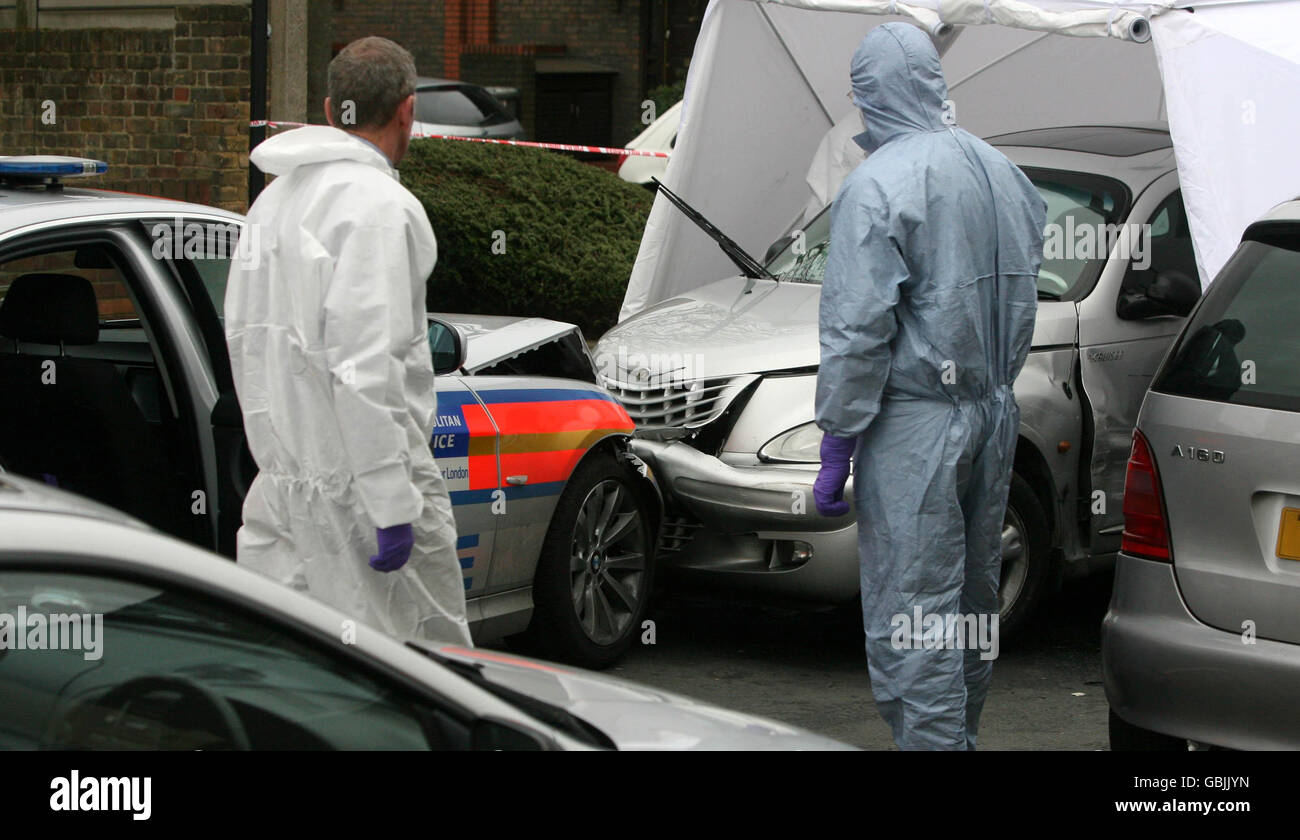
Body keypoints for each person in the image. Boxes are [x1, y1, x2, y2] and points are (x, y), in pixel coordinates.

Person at [812, 22, 1046, 750]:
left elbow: (858, 330)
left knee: (914, 611)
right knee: (973, 598)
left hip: (916, 427)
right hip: (991, 412)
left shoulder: (878, 185)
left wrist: (838, 436)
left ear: (869, 92)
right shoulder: (1001, 170)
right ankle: (958, 738)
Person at [224, 36, 472, 646]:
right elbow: (366, 364)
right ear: (408, 110)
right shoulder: (379, 207)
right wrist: (390, 501)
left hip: (282, 491)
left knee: (295, 682)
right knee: (415, 683)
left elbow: (249, 343)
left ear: (333, 110)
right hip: (362, 499)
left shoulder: (273, 203)